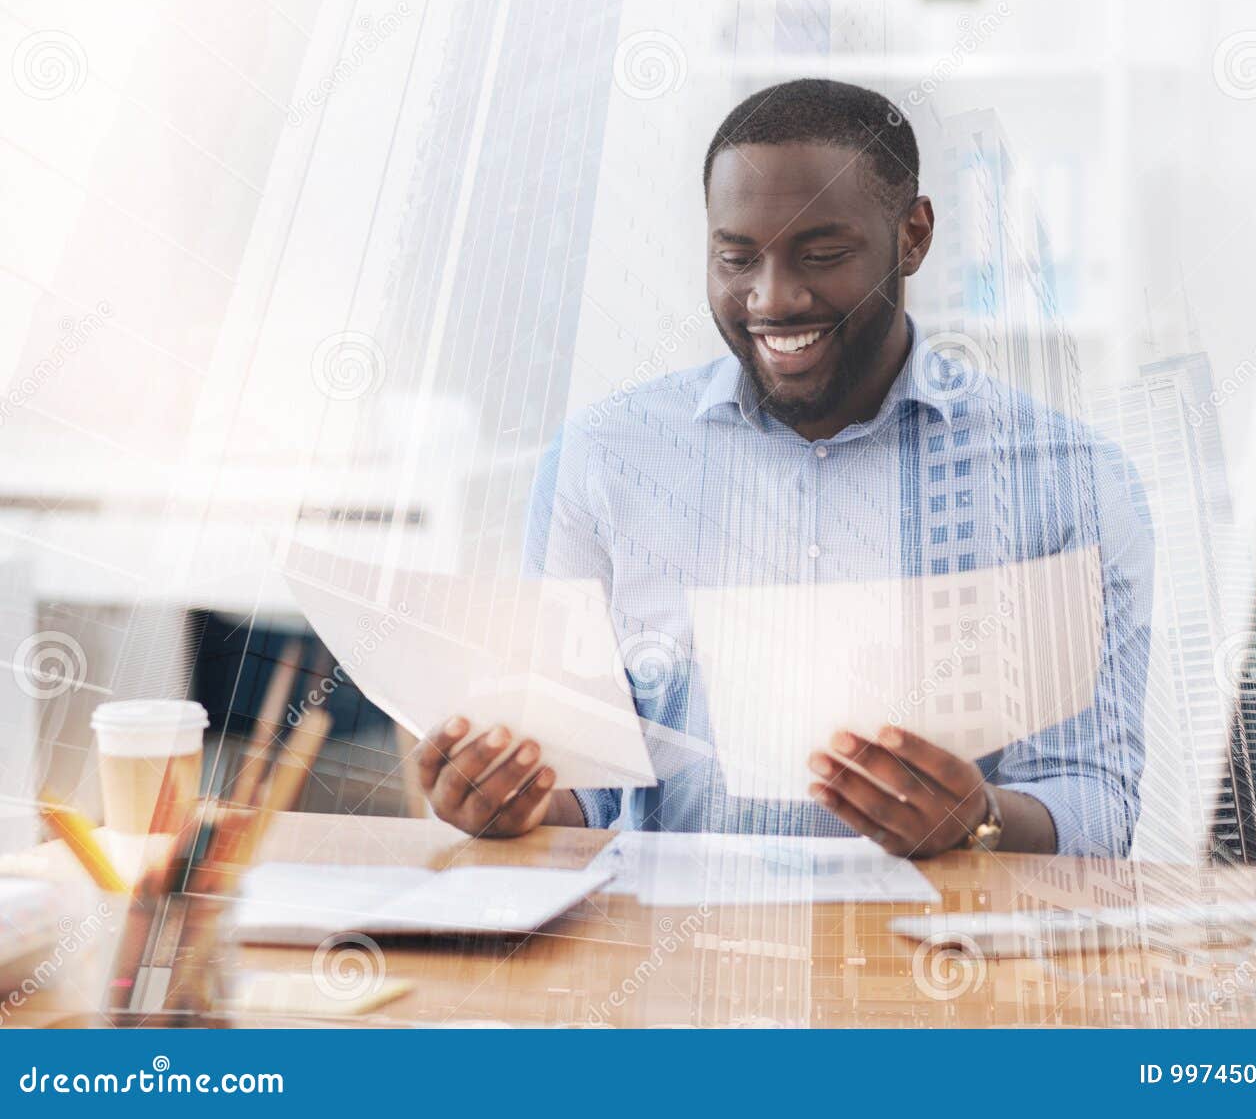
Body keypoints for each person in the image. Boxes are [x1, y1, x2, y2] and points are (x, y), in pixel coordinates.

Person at [414, 78, 1152, 857]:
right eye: (736, 259)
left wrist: (978, 819)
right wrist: (512, 802)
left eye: (823, 256)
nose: (773, 299)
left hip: (939, 933)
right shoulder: (604, 460)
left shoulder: (1066, 481)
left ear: (913, 236)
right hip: (664, 933)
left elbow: (1096, 800)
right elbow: (584, 793)